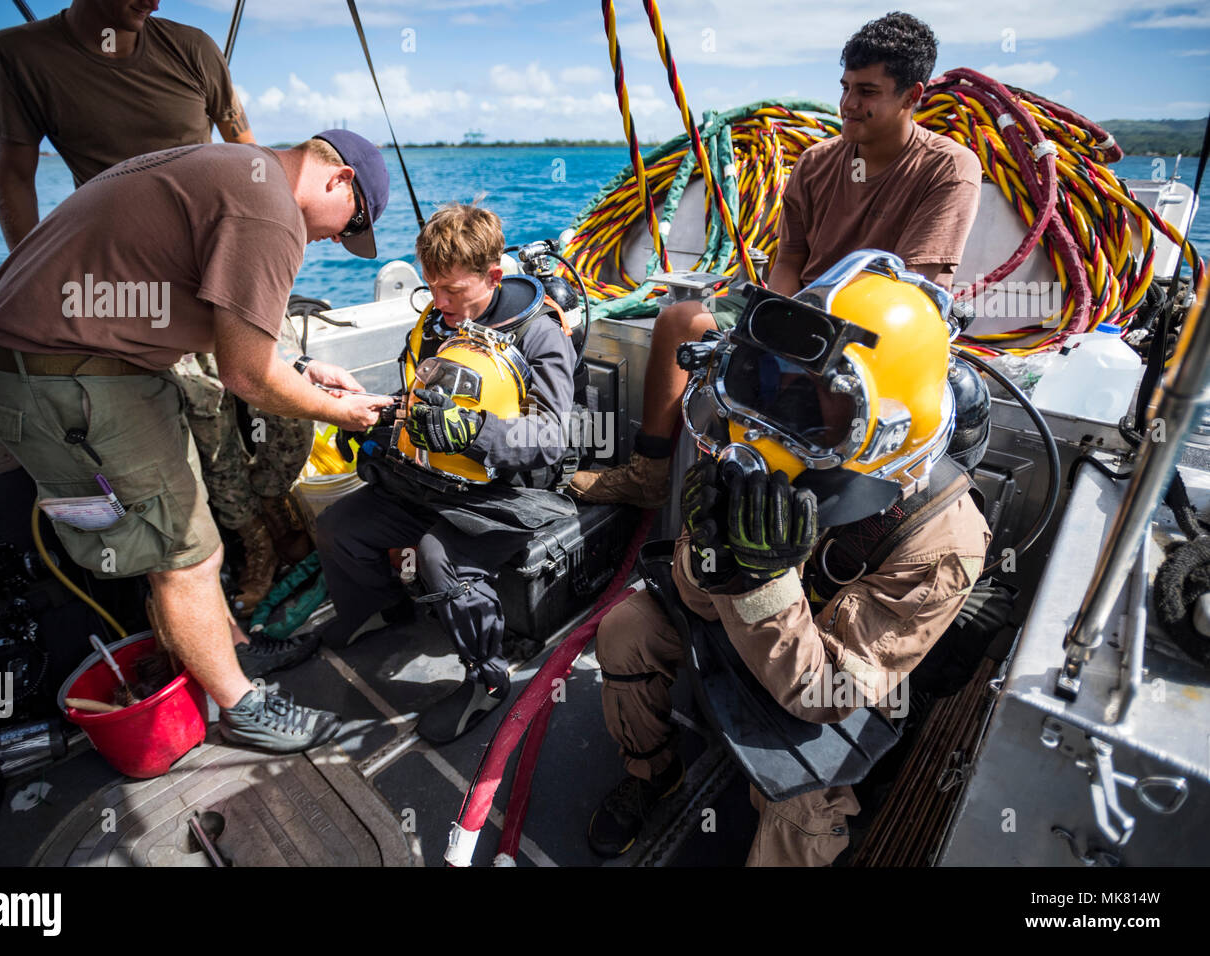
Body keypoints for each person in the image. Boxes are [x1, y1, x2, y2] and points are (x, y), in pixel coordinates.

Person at [0, 130, 394, 753]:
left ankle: (237, 651)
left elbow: (214, 324)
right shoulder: (268, 210)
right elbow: (247, 376)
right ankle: (241, 709)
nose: (333, 240)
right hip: (70, 379)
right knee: (185, 554)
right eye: (349, 224)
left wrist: (302, 370)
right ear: (340, 179)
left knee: (187, 533)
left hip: (87, 365)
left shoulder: (233, 169)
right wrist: (343, 414)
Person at [586, 251, 992, 864]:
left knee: (801, 812)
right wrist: (718, 549)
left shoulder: (942, 543)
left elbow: (823, 693)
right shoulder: (755, 443)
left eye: (817, 399)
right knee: (625, 629)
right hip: (752, 625)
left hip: (826, 681)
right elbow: (693, 593)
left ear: (880, 428)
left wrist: (761, 578)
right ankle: (653, 773)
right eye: (775, 382)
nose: (774, 422)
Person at [0, 0, 314, 617]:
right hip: (140, 296)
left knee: (292, 415)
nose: (154, 2)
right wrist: (36, 283)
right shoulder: (20, 55)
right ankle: (257, 545)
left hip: (234, 262)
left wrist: (272, 258)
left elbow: (250, 153)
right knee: (213, 440)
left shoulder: (192, 47)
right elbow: (13, 176)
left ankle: (278, 505)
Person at [570, 12, 982, 510]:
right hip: (799, 313)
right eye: (845, 86)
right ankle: (649, 474)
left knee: (828, 390)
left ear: (912, 95)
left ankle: (806, 512)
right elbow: (789, 260)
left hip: (874, 340)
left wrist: (801, 353)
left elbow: (915, 291)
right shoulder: (817, 162)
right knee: (679, 319)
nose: (848, 104)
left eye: (868, 92)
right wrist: (769, 335)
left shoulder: (948, 168)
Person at [314, 204, 578, 744]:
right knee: (340, 527)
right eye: (431, 288)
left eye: (453, 291)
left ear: (494, 277)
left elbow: (552, 439)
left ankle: (487, 678)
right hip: (429, 477)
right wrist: (374, 411)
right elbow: (417, 395)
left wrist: (475, 433)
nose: (440, 303)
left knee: (442, 558)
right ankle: (377, 610)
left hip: (504, 492)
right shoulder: (437, 322)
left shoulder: (539, 335)